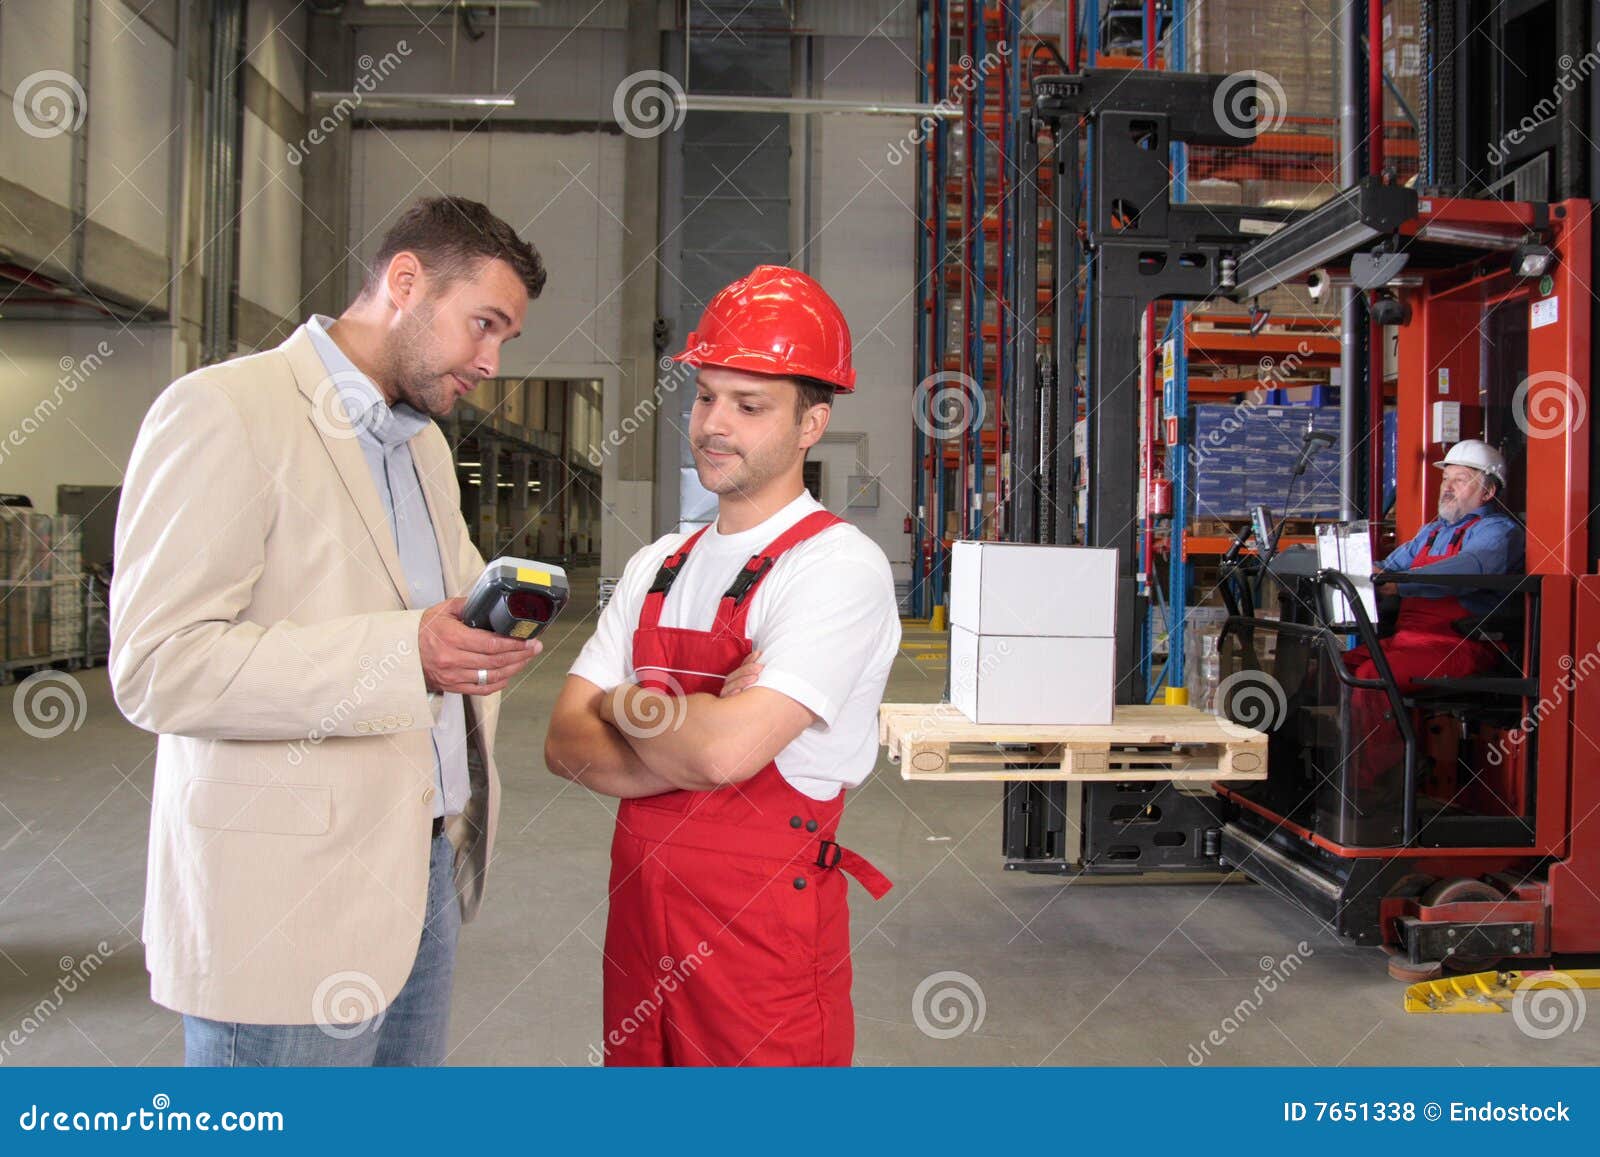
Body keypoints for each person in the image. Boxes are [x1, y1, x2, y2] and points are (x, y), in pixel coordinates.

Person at [111, 196, 547, 1065]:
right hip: (285, 901)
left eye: (506, 339)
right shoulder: (226, 410)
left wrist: (485, 632)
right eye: (483, 325)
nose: (491, 363)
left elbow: (446, 610)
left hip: (423, 864)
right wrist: (405, 652)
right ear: (406, 281)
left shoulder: (423, 447)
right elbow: (159, 665)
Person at [545, 265, 900, 1067]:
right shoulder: (658, 563)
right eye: (706, 396)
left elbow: (724, 754)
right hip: (639, 938)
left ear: (811, 423)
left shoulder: (836, 567)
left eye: (750, 404)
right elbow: (563, 742)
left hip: (760, 954)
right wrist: (692, 720)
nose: (714, 423)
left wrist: (622, 704)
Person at [1341, 439, 1524, 795]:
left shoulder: (1498, 532)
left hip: (1459, 644)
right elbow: (1388, 566)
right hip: (1408, 642)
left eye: (1461, 479)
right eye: (1445, 479)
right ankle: (1338, 768)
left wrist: (1401, 583)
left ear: (1488, 492)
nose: (1448, 487)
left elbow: (1469, 568)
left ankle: (1378, 784)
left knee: (1372, 676)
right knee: (1337, 666)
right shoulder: (1432, 532)